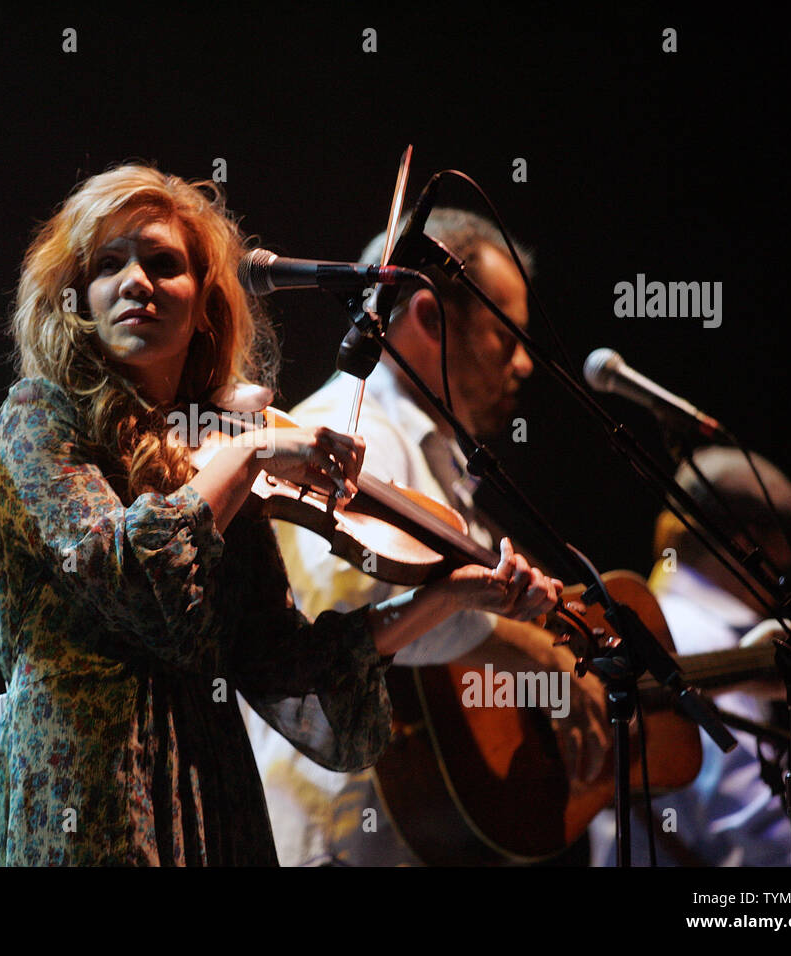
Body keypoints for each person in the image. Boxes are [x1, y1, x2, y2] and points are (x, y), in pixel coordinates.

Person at [0, 166, 564, 865]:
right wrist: (255, 454)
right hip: (85, 800)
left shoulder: (212, 451)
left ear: (204, 304)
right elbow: (132, 578)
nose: (135, 280)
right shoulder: (40, 417)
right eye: (109, 264)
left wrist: (448, 595)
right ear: (79, 297)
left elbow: (287, 662)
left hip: (209, 805)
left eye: (163, 263)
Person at [243, 207, 608, 865]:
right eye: (507, 335)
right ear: (428, 318)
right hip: (341, 838)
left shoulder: (432, 457)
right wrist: (538, 655)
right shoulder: (344, 432)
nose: (523, 363)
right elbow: (351, 598)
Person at [589, 446, 791, 866]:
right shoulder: (708, 640)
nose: (783, 580)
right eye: (783, 559)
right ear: (745, 544)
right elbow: (752, 848)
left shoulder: (652, 626)